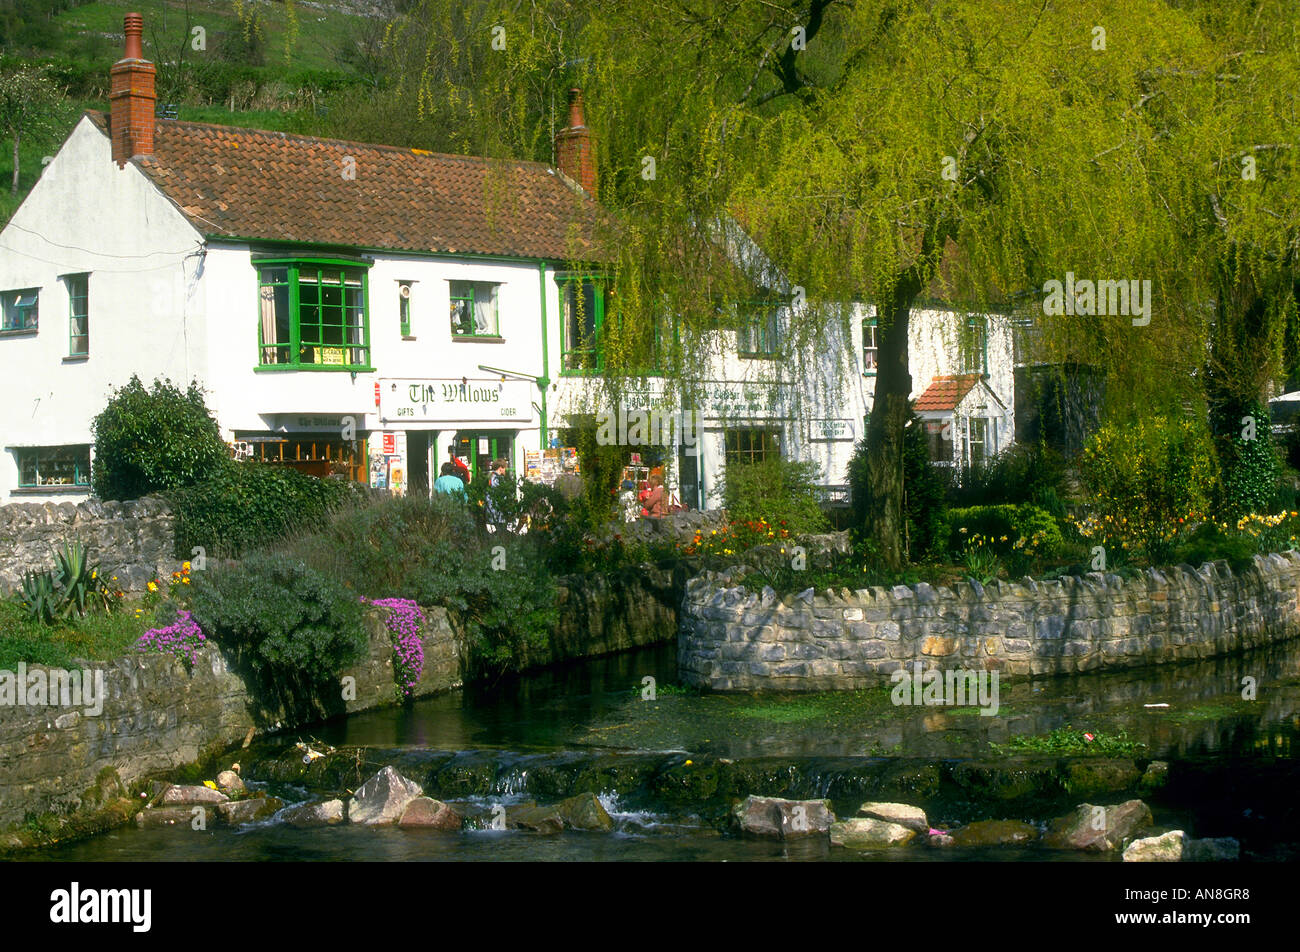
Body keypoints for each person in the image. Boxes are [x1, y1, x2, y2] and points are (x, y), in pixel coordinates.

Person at [485, 457, 509, 532]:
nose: (505, 470)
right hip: (498, 511)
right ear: (500, 468)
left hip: (492, 510)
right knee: (501, 531)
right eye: (504, 468)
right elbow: (501, 494)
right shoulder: (497, 479)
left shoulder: (490, 476)